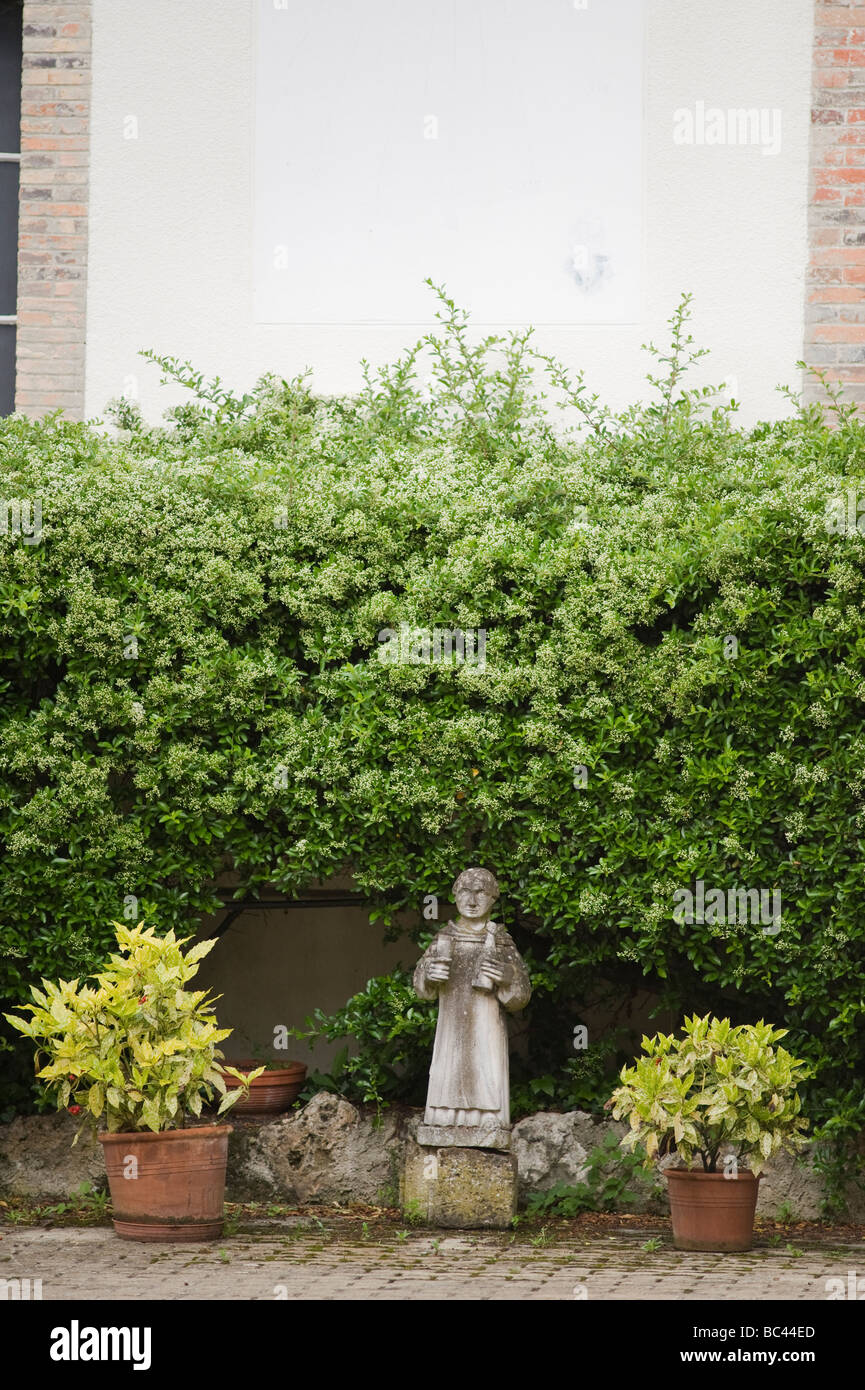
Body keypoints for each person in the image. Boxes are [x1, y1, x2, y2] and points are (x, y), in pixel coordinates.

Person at [413, 867, 531, 1146]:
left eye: (481, 893)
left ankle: (488, 1118)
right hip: (451, 1026)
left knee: (485, 1065)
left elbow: (521, 993)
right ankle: (444, 1115)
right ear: (455, 897)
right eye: (466, 891)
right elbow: (421, 985)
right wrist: (429, 974)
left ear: (493, 899)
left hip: (486, 1024)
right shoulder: (445, 938)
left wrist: (506, 976)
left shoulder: (500, 939)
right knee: (449, 1064)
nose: (473, 900)